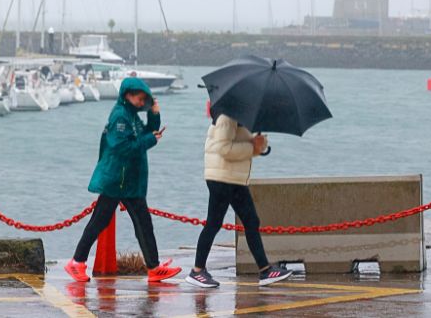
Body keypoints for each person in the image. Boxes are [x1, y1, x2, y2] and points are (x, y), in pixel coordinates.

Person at [65, 77, 182, 283]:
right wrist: (150, 140)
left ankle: (154, 268)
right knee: (99, 222)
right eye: (139, 98)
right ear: (128, 95)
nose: (141, 102)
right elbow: (123, 148)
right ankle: (76, 262)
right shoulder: (120, 116)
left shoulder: (131, 114)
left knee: (143, 224)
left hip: (129, 181)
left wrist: (154, 114)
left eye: (144, 99)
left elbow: (144, 134)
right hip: (117, 180)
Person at [185, 107, 293, 288]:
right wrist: (252, 146)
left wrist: (259, 145)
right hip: (221, 178)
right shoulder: (226, 117)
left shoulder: (239, 117)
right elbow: (223, 148)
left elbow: (239, 144)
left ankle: (265, 270)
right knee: (214, 223)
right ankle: (197, 271)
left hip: (234, 178)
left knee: (251, 221)